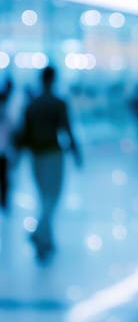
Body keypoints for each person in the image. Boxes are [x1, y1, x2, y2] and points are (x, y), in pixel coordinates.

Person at [17, 66, 81, 262]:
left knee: (44, 196)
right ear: (54, 79)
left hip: (36, 155)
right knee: (51, 197)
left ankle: (46, 239)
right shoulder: (58, 103)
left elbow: (24, 133)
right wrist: (76, 152)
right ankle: (40, 233)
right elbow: (67, 129)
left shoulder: (32, 104)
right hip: (53, 154)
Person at [0, 79, 14, 212]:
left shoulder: (7, 117)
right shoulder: (6, 117)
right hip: (4, 153)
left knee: (4, 180)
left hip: (4, 154)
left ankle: (4, 203)